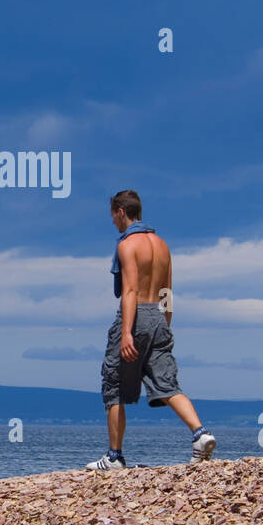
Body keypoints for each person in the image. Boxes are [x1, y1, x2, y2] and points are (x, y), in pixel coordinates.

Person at [86, 190, 216, 470]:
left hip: (136, 316)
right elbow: (167, 290)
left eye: (113, 217)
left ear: (121, 212)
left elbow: (130, 290)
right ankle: (200, 434)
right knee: (166, 384)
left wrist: (127, 333)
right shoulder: (162, 245)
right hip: (159, 316)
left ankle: (114, 457)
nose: (113, 223)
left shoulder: (127, 245)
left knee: (115, 385)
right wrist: (164, 324)